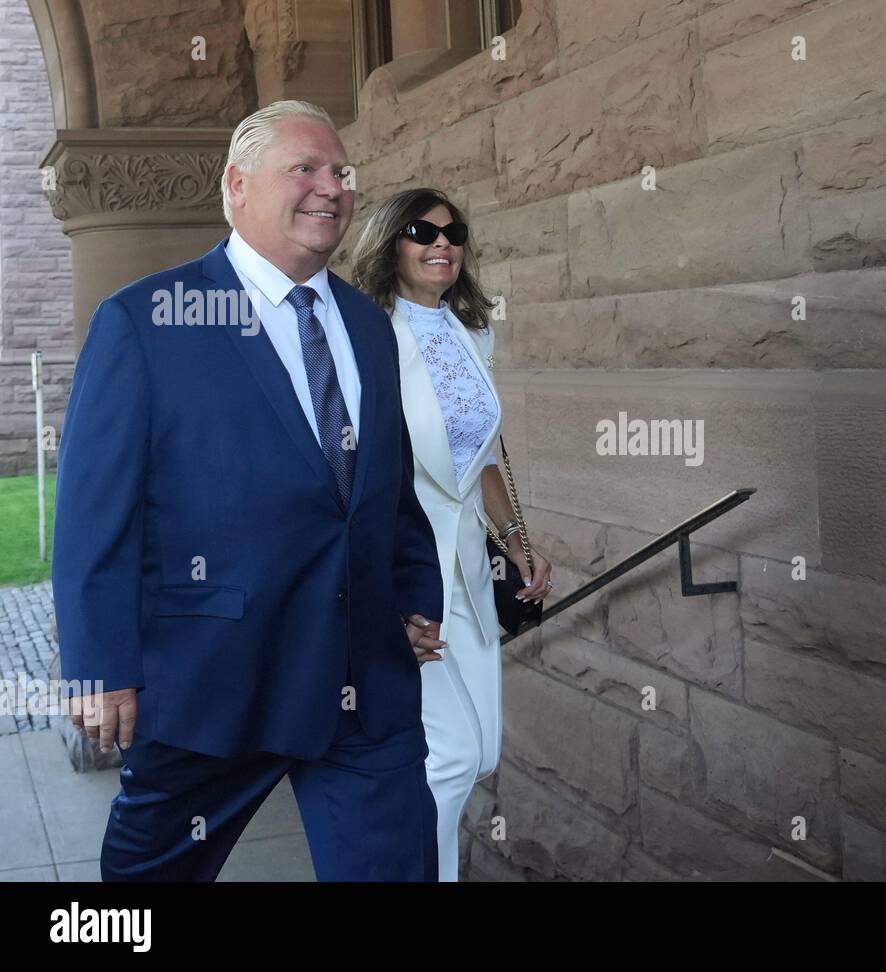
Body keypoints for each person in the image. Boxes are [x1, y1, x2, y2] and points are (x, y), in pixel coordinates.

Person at [51, 100, 447, 881]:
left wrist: (414, 590)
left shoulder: (369, 327)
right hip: (214, 683)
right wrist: (102, 667)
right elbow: (93, 518)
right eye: (303, 168)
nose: (330, 187)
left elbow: (385, 485)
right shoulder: (145, 321)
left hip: (364, 681)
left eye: (341, 172)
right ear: (236, 186)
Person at [353, 188, 553, 880]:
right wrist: (380, 590)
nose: (441, 244)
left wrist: (518, 541)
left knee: (482, 752)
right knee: (451, 755)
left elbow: (485, 458)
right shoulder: (368, 333)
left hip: (468, 569)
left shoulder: (473, 335)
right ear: (391, 242)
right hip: (402, 575)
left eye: (454, 232)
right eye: (422, 230)